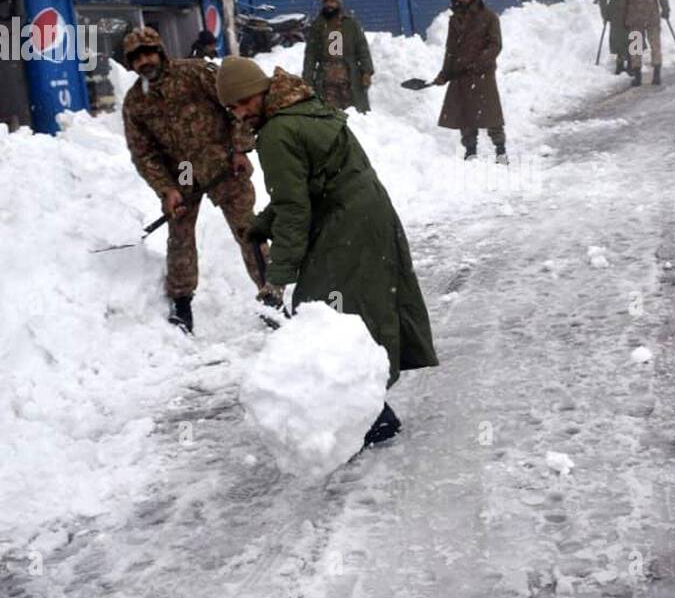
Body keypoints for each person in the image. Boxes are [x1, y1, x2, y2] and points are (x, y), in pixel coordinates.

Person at [215, 58, 438, 446]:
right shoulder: (303, 106)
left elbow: (295, 210)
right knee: (357, 306)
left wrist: (278, 277)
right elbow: (299, 191)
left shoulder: (277, 133)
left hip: (346, 222)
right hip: (368, 211)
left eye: (243, 101)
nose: (240, 113)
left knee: (325, 315)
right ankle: (371, 412)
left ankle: (369, 414)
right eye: (232, 108)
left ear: (261, 91)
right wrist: (261, 225)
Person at [121, 27, 261, 333]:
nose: (145, 61)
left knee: (248, 230)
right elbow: (143, 153)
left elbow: (235, 106)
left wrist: (240, 149)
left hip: (223, 165)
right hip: (182, 174)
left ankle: (272, 294)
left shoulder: (195, 73)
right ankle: (181, 304)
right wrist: (166, 190)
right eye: (137, 58)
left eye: (149, 53)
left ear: (160, 51)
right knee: (180, 236)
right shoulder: (135, 103)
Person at [434, 0, 506, 161]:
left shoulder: (489, 17)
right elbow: (450, 50)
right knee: (464, 114)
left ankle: (500, 150)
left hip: (482, 74)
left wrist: (479, 63)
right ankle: (470, 151)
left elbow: (495, 45)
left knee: (490, 113)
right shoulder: (454, 20)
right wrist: (445, 73)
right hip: (460, 74)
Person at [302, 0, 373, 113]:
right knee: (329, 113)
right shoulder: (317, 25)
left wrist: (367, 71)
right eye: (326, 1)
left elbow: (362, 48)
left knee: (354, 113)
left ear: (339, 3)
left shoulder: (350, 24)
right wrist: (307, 78)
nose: (329, 5)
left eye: (333, 1)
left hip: (349, 76)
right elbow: (310, 54)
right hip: (325, 79)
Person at [622, 0, 669, 86]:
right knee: (655, 44)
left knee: (635, 45)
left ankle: (637, 77)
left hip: (634, 16)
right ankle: (657, 75)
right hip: (652, 14)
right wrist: (665, 9)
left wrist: (623, 16)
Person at [598, 0, 628, 74]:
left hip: (628, 7)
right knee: (618, 36)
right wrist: (605, 14)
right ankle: (621, 61)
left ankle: (634, 62)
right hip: (617, 9)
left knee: (633, 33)